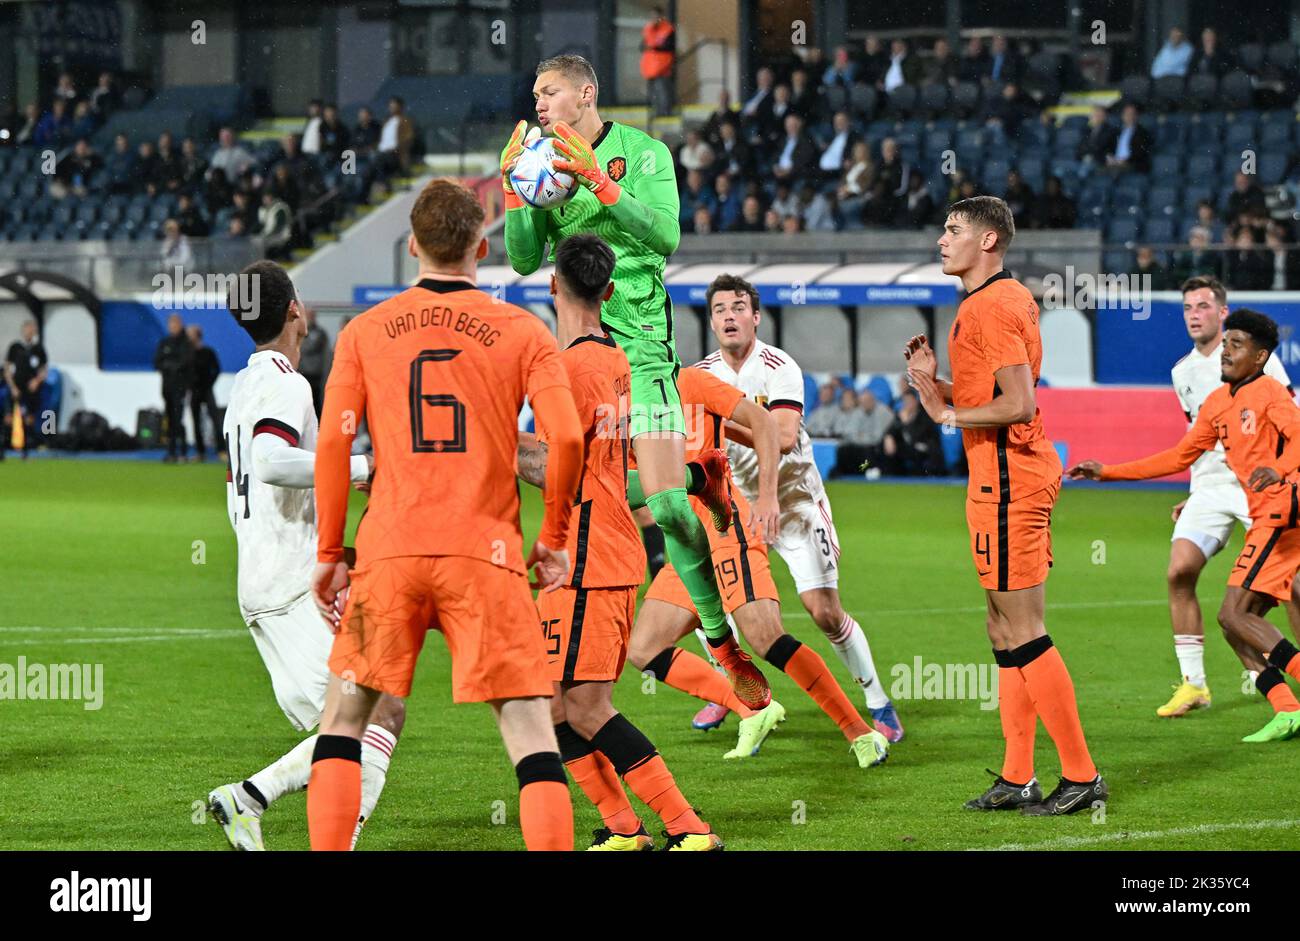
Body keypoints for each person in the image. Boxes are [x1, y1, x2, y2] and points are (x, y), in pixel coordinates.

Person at [306, 178, 585, 851]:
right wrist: (553, 538)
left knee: (343, 720)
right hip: (483, 553)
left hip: (389, 550)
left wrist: (329, 553)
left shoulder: (365, 331)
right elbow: (569, 438)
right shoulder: (524, 330)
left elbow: (334, 440)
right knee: (528, 731)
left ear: (412, 245)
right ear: (482, 247)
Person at [501, 54, 770, 709]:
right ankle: (709, 614)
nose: (538, 101)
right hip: (582, 355)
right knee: (571, 476)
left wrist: (599, 180)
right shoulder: (541, 167)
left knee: (670, 509)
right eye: (534, 92)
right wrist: (514, 186)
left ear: (585, 92)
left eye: (550, 90)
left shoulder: (642, 153)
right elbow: (521, 257)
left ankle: (722, 639)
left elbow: (667, 234)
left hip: (645, 349)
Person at [515, 233, 722, 851]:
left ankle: (689, 828)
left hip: (586, 555)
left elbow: (557, 465)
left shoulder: (570, 368)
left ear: (553, 286)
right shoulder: (618, 360)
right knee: (553, 705)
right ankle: (622, 829)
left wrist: (494, 445)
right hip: (599, 545)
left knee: (583, 707)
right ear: (609, 293)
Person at [905, 195, 1106, 813]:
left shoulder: (990, 306)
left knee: (1023, 627)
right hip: (1000, 477)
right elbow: (993, 393)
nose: (942, 239)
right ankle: (1019, 775)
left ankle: (1081, 774)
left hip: (1008, 481)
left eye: (954, 229)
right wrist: (930, 384)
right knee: (1002, 625)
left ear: (987, 241)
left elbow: (1018, 403)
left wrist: (943, 411)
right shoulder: (990, 302)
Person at [208, 260, 404, 851]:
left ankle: (251, 801)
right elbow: (269, 462)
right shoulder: (285, 385)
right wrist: (359, 467)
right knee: (370, 715)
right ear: (294, 308)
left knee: (369, 712)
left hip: (269, 577)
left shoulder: (247, 382)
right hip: (289, 583)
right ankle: (249, 799)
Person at [626, 365, 891, 767]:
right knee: (644, 648)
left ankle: (861, 733)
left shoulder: (689, 380)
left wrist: (766, 496)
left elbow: (764, 424)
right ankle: (752, 706)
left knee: (765, 637)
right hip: (687, 541)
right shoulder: (624, 401)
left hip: (725, 522)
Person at [1069, 309, 1300, 743]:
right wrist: (1109, 472)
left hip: (1283, 513)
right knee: (1235, 623)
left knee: (1234, 615)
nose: (1226, 351)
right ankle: (1287, 709)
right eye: (1226, 343)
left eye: (1237, 345)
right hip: (1270, 514)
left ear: (1261, 356)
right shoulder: (1217, 404)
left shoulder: (1270, 392)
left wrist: (1280, 467)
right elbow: (1178, 457)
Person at [696, 274, 904, 740]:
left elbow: (784, 438)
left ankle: (878, 702)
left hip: (792, 503)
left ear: (755, 316)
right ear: (712, 322)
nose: (729, 316)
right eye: (719, 310)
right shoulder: (702, 373)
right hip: (734, 508)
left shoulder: (779, 367)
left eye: (737, 307)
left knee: (825, 612)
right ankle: (734, 691)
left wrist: (721, 422)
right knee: (711, 605)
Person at [1152, 277, 1293, 717]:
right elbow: (1197, 441)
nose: (1194, 314)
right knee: (1180, 572)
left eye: (1202, 306)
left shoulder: (1260, 364)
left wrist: (1287, 478)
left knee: (1289, 589)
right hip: (1212, 487)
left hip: (1262, 486)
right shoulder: (1182, 372)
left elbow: (1289, 425)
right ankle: (1194, 685)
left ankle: (1282, 693)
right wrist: (1192, 493)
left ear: (1222, 312)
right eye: (1187, 308)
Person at [4, 319, 48, 458]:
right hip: (16, 387)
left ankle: (26, 451)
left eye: (32, 329)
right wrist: (12, 386)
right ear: (23, 331)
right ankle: (3, 451)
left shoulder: (38, 349)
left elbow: (44, 369)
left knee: (28, 419)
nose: (29, 332)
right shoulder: (15, 347)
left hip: (30, 389)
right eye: (27, 329)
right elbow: (7, 368)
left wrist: (36, 381)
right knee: (8, 418)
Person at [154, 314, 194, 462]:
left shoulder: (185, 343)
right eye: (171, 324)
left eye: (175, 323)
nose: (173, 326)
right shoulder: (165, 342)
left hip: (180, 388)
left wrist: (170, 365)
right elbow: (157, 362)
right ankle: (171, 452)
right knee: (170, 420)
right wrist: (170, 365)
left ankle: (182, 451)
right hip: (167, 388)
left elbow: (185, 363)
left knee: (178, 419)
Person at [881, 388, 945, 475]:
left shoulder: (925, 416)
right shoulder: (901, 414)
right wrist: (888, 436)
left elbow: (914, 438)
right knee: (886, 447)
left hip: (925, 448)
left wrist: (906, 424)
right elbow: (891, 429)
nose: (907, 404)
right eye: (905, 401)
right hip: (908, 449)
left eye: (909, 401)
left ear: (916, 401)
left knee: (914, 452)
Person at [186, 325, 221, 462]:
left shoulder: (208, 352)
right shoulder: (188, 353)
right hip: (194, 391)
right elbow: (185, 371)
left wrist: (210, 383)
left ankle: (221, 450)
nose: (189, 337)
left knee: (215, 420)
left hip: (206, 389)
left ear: (197, 335)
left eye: (191, 334)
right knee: (196, 421)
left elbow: (216, 369)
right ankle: (200, 452)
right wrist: (188, 385)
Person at [640, 6, 675, 117]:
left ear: (661, 16)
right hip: (650, 67)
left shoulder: (668, 29)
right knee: (653, 93)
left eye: (656, 16)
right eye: (652, 16)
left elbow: (669, 46)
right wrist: (651, 47)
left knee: (663, 91)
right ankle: (656, 112)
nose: (654, 18)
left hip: (663, 67)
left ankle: (665, 113)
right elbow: (642, 46)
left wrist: (653, 47)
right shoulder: (648, 29)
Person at [298, 307, 331, 416]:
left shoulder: (319, 333)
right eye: (306, 315)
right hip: (302, 374)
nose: (308, 318)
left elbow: (309, 347)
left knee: (315, 405)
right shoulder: (300, 331)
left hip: (315, 377)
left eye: (310, 315)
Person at [378, 96, 415, 176]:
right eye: (390, 106)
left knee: (376, 161)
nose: (392, 108)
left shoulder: (405, 122)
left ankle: (383, 183)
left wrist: (395, 149)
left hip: (395, 154)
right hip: (382, 153)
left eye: (394, 106)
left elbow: (408, 140)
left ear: (400, 107)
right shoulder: (386, 122)